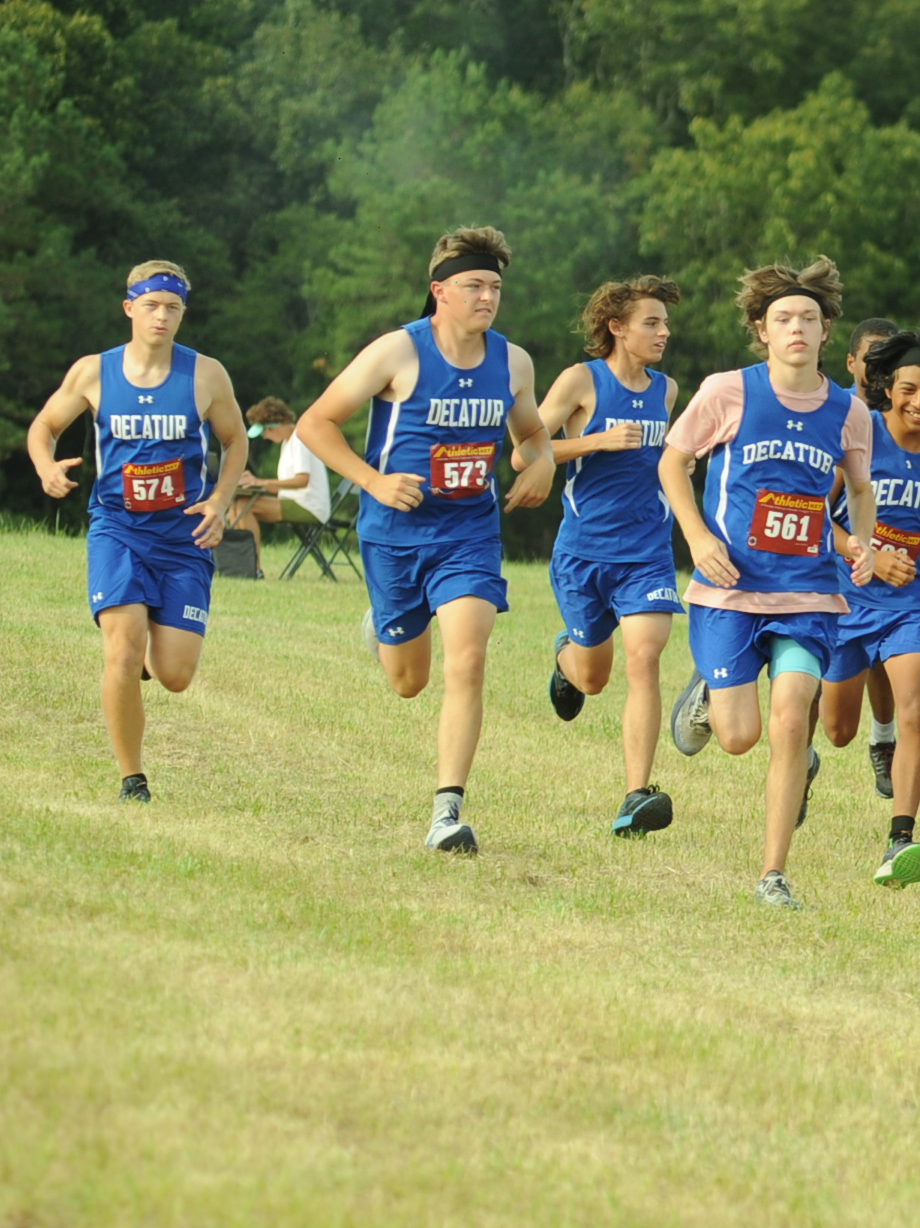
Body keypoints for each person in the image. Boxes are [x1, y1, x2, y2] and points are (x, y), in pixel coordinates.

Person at [293, 227, 554, 853]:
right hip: (395, 531)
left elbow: (532, 433)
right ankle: (383, 626)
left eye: (494, 286)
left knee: (467, 659)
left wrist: (540, 460)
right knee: (409, 681)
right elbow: (314, 423)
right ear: (440, 291)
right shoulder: (398, 353)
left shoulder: (512, 361)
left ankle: (447, 811)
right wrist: (373, 481)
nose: (487, 297)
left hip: (468, 532)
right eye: (473, 286)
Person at [656, 258, 884, 908]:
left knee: (791, 721)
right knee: (739, 737)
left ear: (826, 331)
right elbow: (674, 464)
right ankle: (707, 693)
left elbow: (861, 491)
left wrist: (862, 541)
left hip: (809, 589)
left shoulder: (848, 412)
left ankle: (773, 874)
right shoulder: (727, 391)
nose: (796, 329)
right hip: (729, 586)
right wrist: (698, 539)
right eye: (782, 318)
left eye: (808, 319)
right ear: (761, 329)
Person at [24, 261, 252, 802]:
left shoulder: (205, 374)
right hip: (118, 528)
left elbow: (236, 440)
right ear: (130, 307)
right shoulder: (93, 372)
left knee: (174, 674)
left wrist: (219, 502)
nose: (162, 316)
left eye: (172, 308)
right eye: (151, 305)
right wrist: (46, 467)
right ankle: (133, 780)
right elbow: (44, 427)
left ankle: (154, 641)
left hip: (183, 538)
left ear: (182, 315)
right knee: (121, 654)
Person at [819, 329, 920, 889]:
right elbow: (820, 515)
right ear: (887, 389)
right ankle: (835, 747)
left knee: (916, 709)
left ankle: (901, 838)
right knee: (837, 730)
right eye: (909, 389)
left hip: (910, 604)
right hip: (846, 599)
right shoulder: (856, 437)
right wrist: (867, 552)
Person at [538, 275, 685, 837]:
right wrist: (596, 440)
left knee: (644, 659)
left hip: (646, 550)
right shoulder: (582, 381)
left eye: (665, 323)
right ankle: (565, 660)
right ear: (616, 327)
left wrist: (677, 464)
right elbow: (529, 448)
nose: (663, 332)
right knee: (594, 677)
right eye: (652, 323)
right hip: (583, 552)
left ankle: (635, 795)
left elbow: (662, 458)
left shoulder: (666, 390)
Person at [224, 396, 305, 554]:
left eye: (264, 433)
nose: (264, 437)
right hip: (293, 500)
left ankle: (255, 565)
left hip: (307, 505)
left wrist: (260, 482)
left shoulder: (300, 440)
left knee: (244, 508)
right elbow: (283, 487)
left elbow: (302, 481)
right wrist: (253, 484)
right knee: (238, 504)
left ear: (273, 427)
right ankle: (241, 563)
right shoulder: (287, 444)